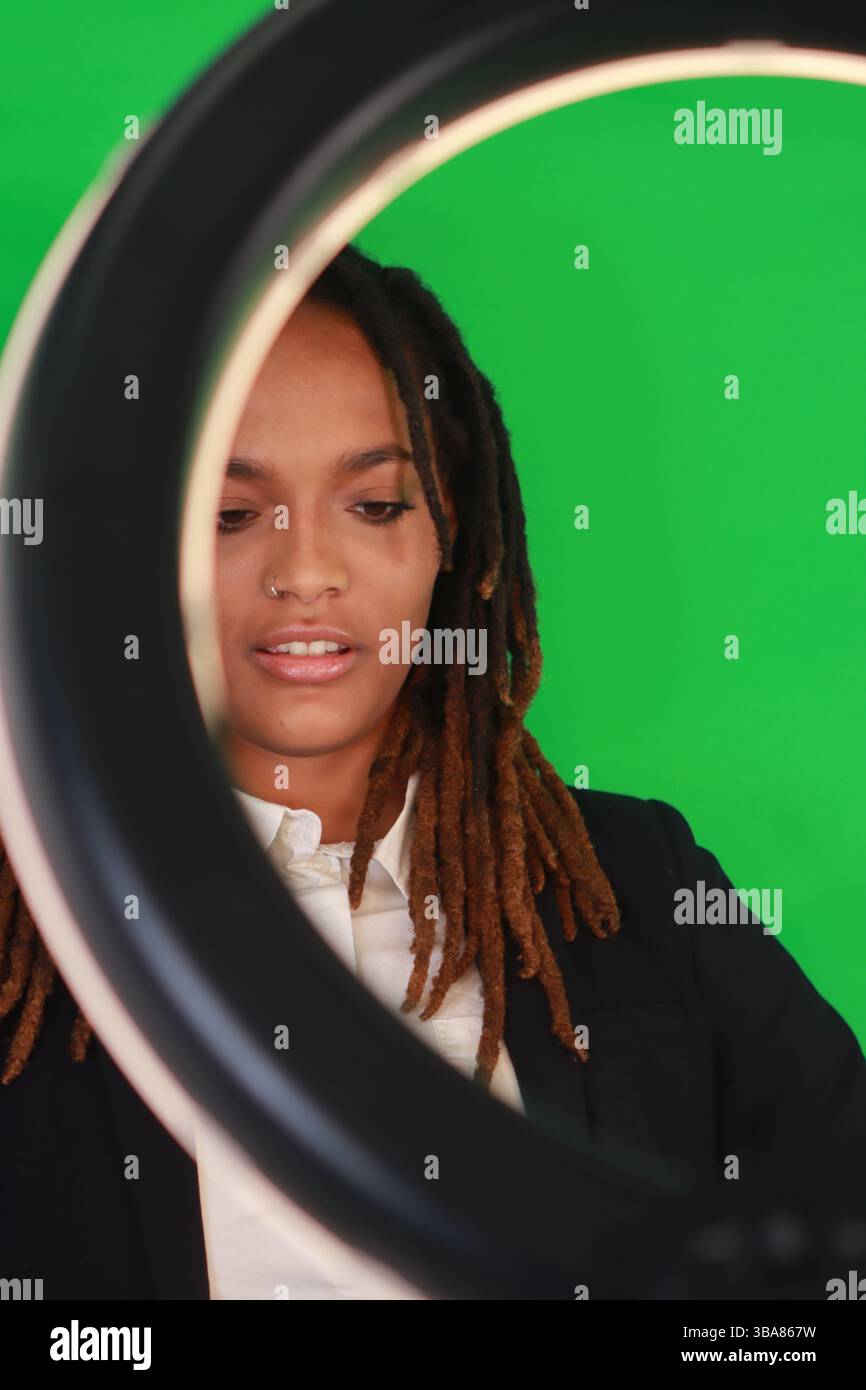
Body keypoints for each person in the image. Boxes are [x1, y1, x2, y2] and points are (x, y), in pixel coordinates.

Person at [1, 243, 865, 1300]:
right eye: (228, 513)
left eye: (374, 505)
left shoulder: (640, 881)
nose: (305, 571)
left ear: (451, 531)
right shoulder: (25, 931)